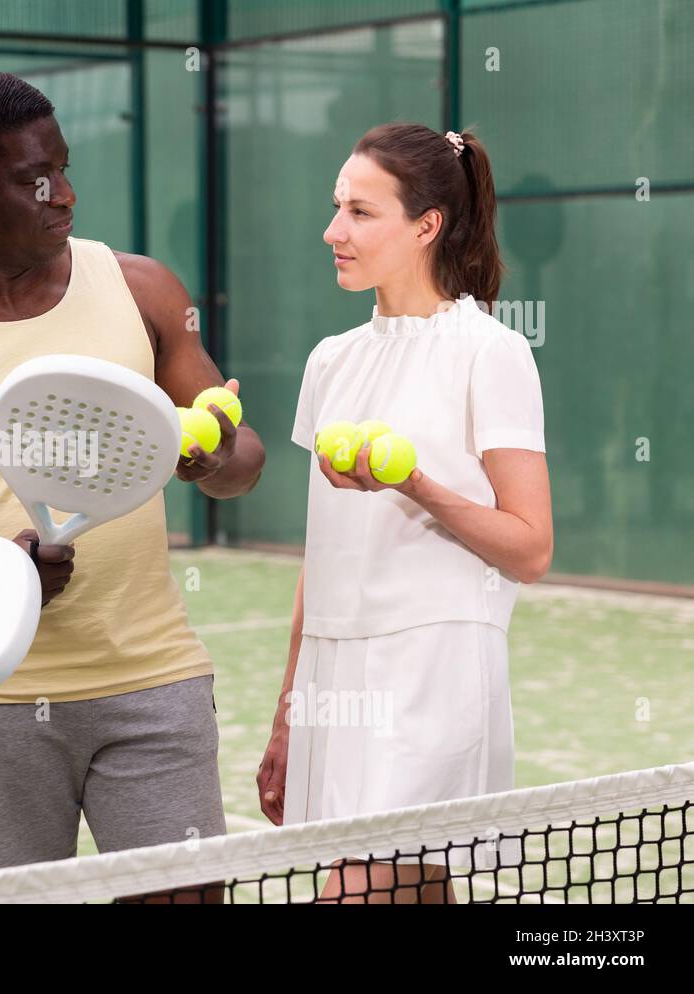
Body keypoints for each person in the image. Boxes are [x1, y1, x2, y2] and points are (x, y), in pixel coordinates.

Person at [0, 71, 265, 895]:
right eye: (36, 178)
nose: (63, 193)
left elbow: (243, 464)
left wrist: (214, 455)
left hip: (155, 682)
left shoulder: (143, 291)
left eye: (63, 168)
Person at [256, 124, 553, 903]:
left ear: (427, 226)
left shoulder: (492, 352)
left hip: (434, 669)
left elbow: (529, 549)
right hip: (333, 671)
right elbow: (322, 559)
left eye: (359, 212)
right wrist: (289, 713)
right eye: (335, 208)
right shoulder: (330, 361)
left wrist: (417, 485)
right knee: (411, 889)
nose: (333, 231)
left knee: (356, 889)